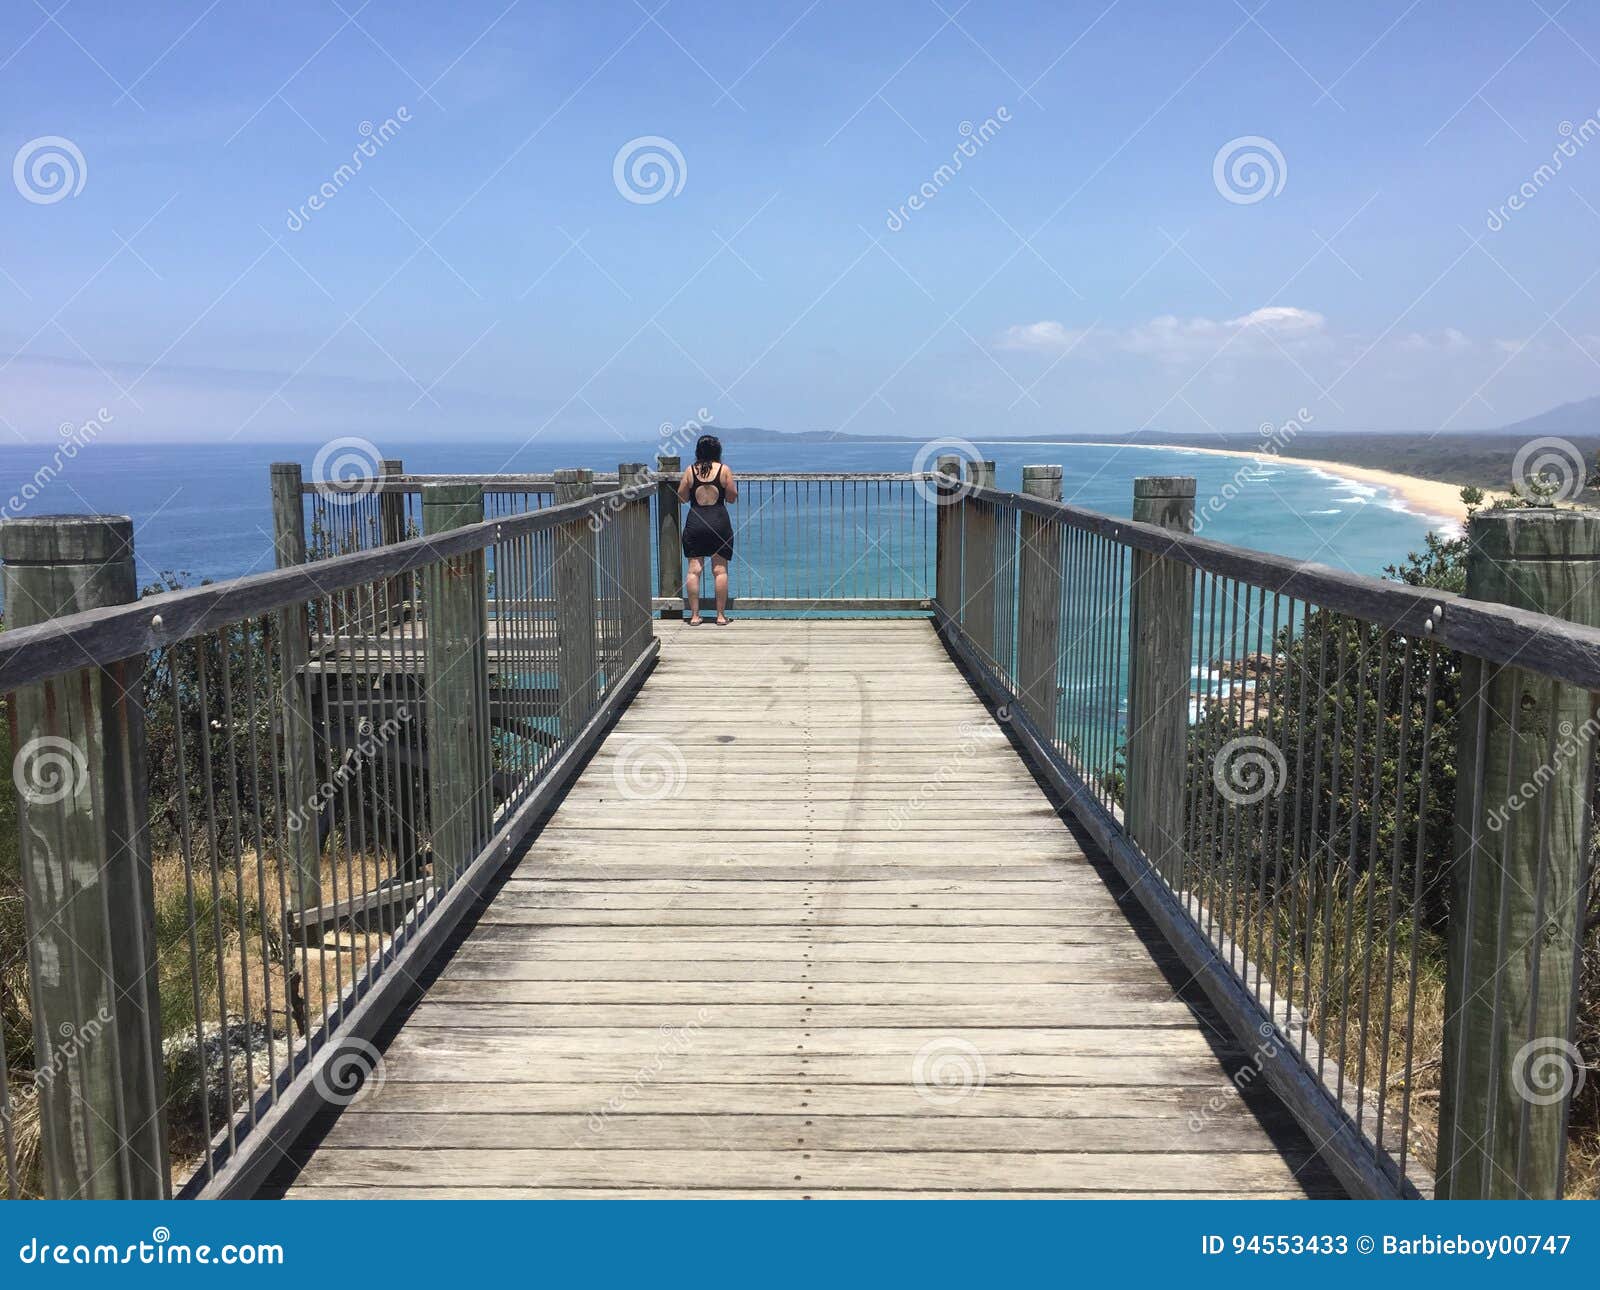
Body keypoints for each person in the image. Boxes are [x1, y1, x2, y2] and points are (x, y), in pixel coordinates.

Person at [678, 434, 737, 626]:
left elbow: (682, 497)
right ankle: (720, 616)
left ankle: (695, 616)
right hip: (719, 521)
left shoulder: (690, 471)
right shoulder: (724, 469)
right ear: (717, 451)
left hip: (696, 521)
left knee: (694, 570)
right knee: (720, 571)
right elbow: (731, 497)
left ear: (698, 451)